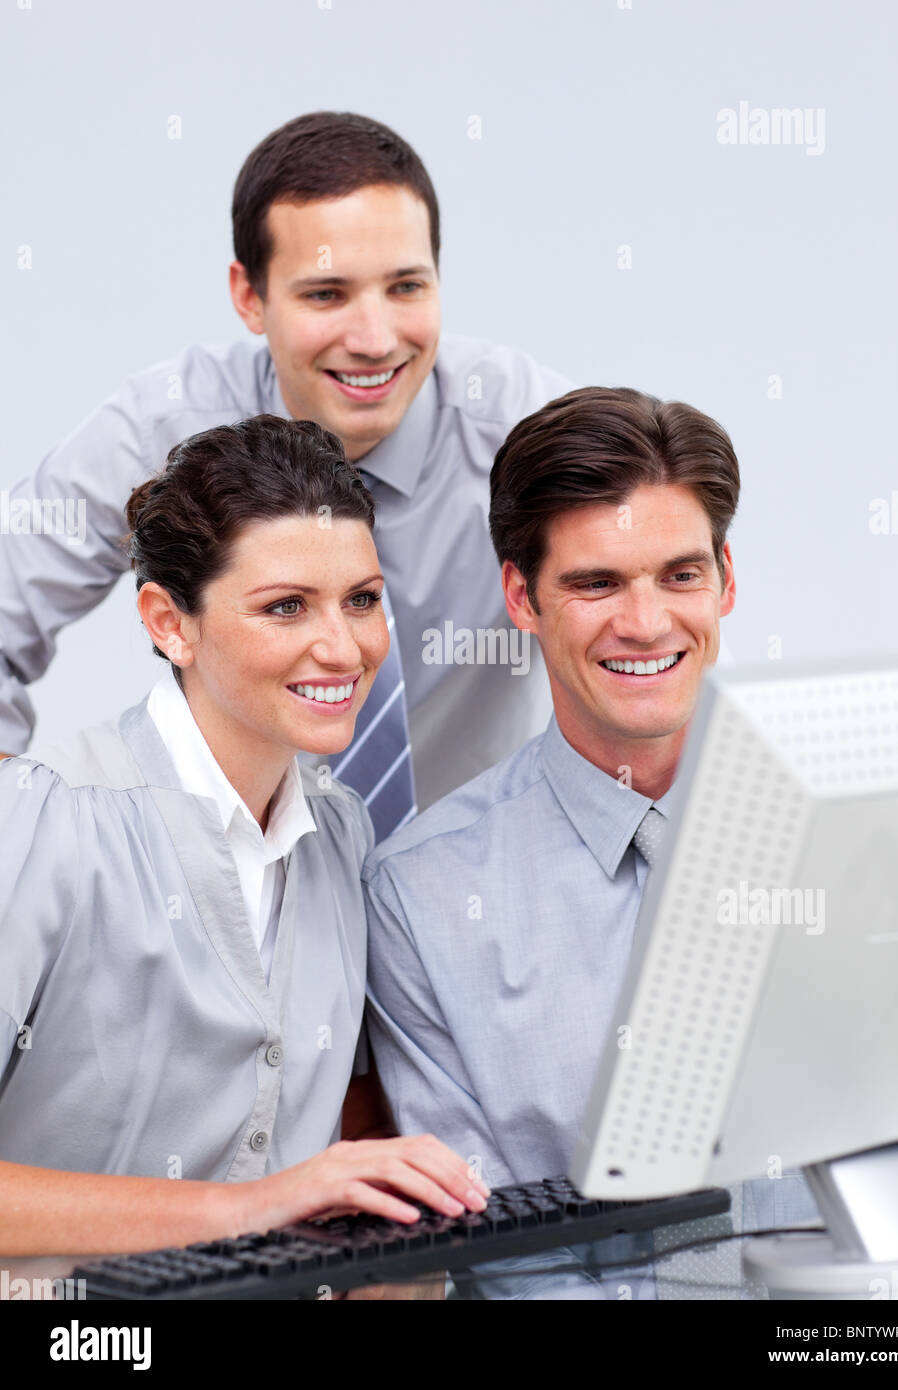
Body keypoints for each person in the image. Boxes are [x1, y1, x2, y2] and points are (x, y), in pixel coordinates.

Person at [0, 414, 489, 1263]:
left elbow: (342, 1112)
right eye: (285, 607)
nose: (342, 648)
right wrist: (256, 1205)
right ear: (168, 623)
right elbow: (273, 1195)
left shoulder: (339, 833)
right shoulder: (44, 823)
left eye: (362, 601)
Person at [0, 111, 573, 833]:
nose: (373, 340)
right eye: (326, 294)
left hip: (471, 877)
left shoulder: (527, 430)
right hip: (231, 883)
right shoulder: (162, 430)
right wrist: (20, 850)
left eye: (405, 288)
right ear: (249, 296)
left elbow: (660, 632)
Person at [363, 386, 746, 1298]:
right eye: (595, 582)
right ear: (520, 597)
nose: (646, 623)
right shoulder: (423, 895)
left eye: (679, 575)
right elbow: (504, 1257)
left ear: (728, 580)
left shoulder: (858, 829)